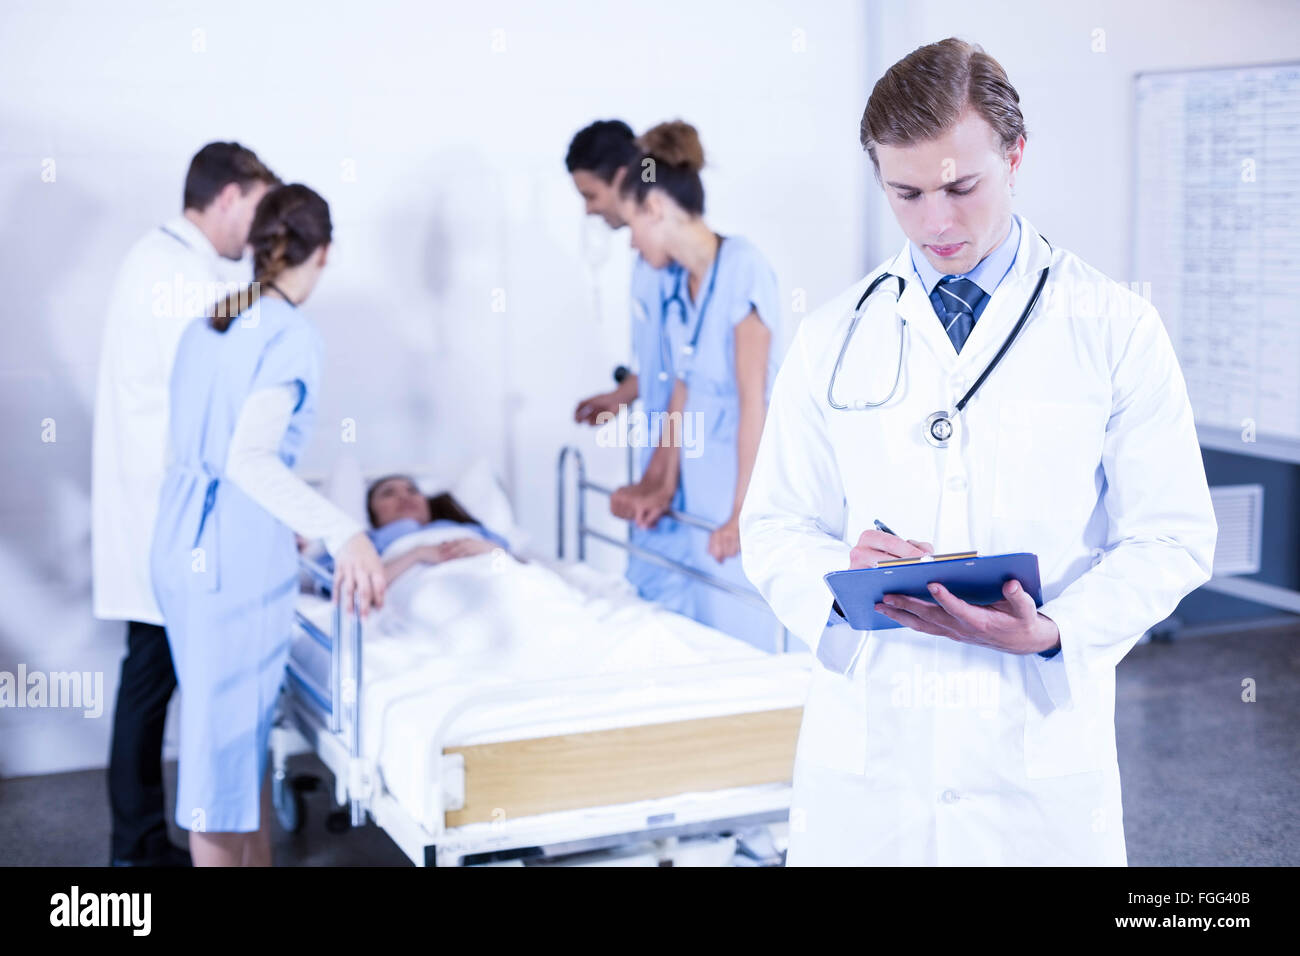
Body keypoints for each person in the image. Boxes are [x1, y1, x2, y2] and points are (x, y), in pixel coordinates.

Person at [739, 38, 1217, 865]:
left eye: (962, 187)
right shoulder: (833, 336)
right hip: (872, 764)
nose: (937, 222)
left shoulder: (1114, 327)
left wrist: (1057, 630)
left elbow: (1173, 535)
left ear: (1015, 155)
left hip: (1032, 767)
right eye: (907, 193)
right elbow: (775, 524)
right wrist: (840, 574)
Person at [150, 184, 386, 866]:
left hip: (181, 542)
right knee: (221, 778)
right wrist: (347, 531)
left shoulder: (211, 322)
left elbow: (199, 450)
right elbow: (249, 460)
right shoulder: (288, 334)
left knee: (234, 749)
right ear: (324, 253)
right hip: (231, 558)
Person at [92, 141, 280, 867]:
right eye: (259, 210)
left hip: (163, 514)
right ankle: (137, 849)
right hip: (163, 517)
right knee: (153, 684)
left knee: (150, 680)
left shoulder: (169, 264)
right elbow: (212, 396)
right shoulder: (170, 273)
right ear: (228, 196)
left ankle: (138, 843)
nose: (259, 233)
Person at [613, 121, 787, 652]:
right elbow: (682, 393)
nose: (633, 246)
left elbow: (754, 402)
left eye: (630, 228)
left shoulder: (743, 268)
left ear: (655, 209)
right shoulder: (685, 283)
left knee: (743, 638)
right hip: (701, 485)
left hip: (739, 485)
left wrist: (741, 512)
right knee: (700, 642)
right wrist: (659, 485)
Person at [567, 120, 694, 618]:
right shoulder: (647, 258)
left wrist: (660, 480)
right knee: (652, 606)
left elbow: (692, 373)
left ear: (623, 177)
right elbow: (666, 363)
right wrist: (622, 396)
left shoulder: (675, 259)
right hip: (661, 457)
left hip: (688, 457)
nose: (589, 208)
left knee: (692, 612)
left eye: (591, 193)